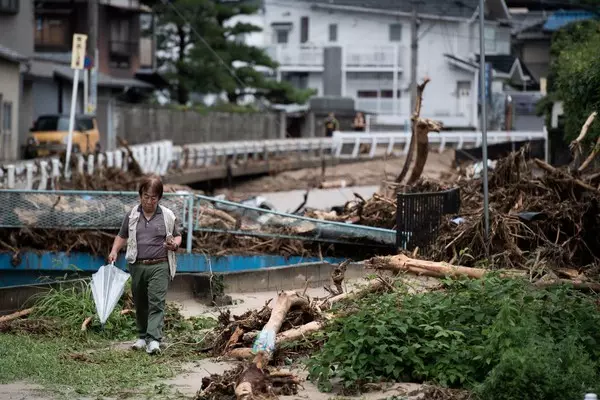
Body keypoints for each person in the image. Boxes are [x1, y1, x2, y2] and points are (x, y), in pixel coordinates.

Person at [108, 176, 182, 354]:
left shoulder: (167, 216)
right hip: (137, 264)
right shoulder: (132, 215)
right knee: (140, 302)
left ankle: (154, 340)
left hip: (160, 264)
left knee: (156, 302)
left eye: (153, 198)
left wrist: (175, 244)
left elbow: (177, 235)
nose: (149, 201)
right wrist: (114, 251)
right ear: (140, 195)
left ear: (159, 198)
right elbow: (122, 235)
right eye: (146, 196)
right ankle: (142, 337)